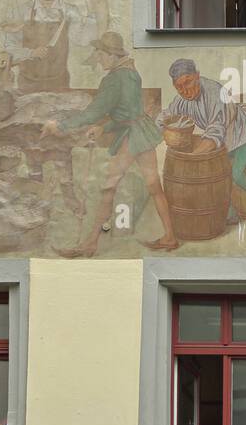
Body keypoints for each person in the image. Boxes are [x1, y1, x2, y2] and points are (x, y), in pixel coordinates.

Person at [42, 31, 177, 257]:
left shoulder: (114, 79)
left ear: (113, 55)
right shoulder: (131, 74)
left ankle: (90, 243)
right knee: (154, 186)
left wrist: (61, 125)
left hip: (133, 137)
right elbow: (129, 113)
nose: (98, 58)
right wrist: (104, 128)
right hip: (141, 131)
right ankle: (170, 237)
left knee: (108, 187)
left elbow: (94, 112)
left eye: (101, 53)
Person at [158, 59, 246, 232]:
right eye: (179, 87)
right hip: (224, 140)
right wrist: (158, 126)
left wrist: (193, 159)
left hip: (241, 134)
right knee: (219, 176)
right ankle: (230, 215)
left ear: (197, 76)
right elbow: (167, 115)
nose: (185, 90)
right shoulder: (181, 100)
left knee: (236, 175)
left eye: (188, 82)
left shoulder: (215, 93)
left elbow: (215, 130)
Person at [1, 0, 105, 94]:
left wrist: (91, 14)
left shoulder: (70, 11)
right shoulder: (22, 12)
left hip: (59, 83)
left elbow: (82, 40)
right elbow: (9, 49)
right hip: (28, 84)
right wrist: (30, 53)